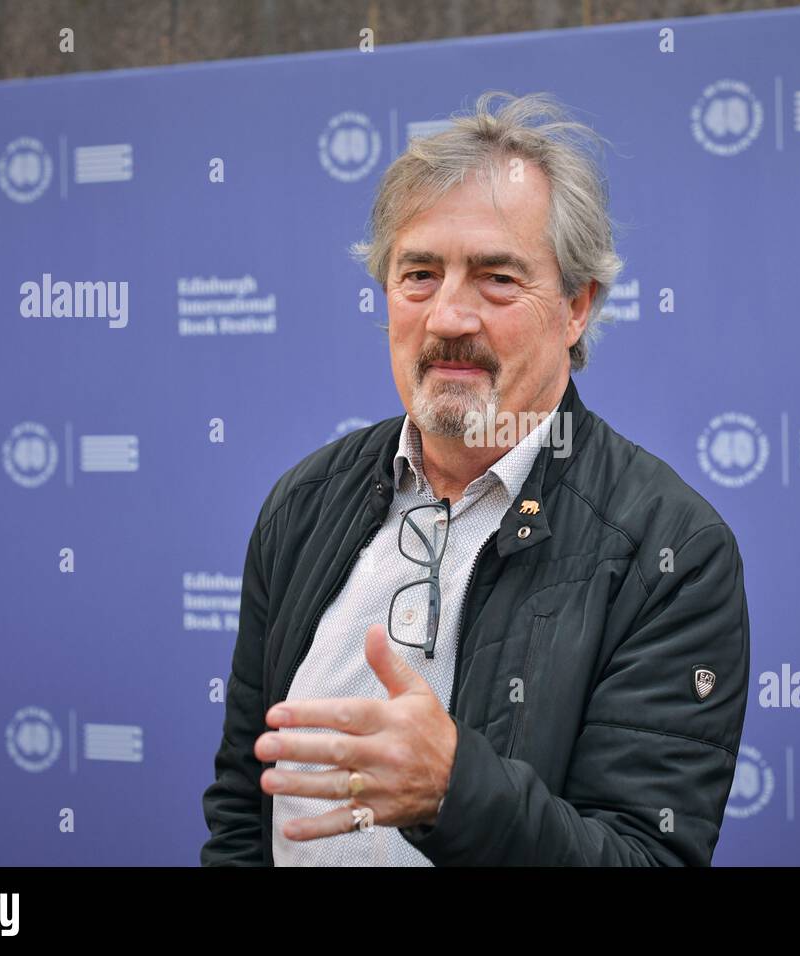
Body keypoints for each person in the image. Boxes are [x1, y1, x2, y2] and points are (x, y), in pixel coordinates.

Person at [200, 90, 750, 866]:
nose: (450, 317)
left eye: (496, 278)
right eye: (419, 274)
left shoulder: (671, 552)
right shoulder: (303, 504)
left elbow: (646, 859)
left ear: (575, 307)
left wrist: (454, 791)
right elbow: (240, 807)